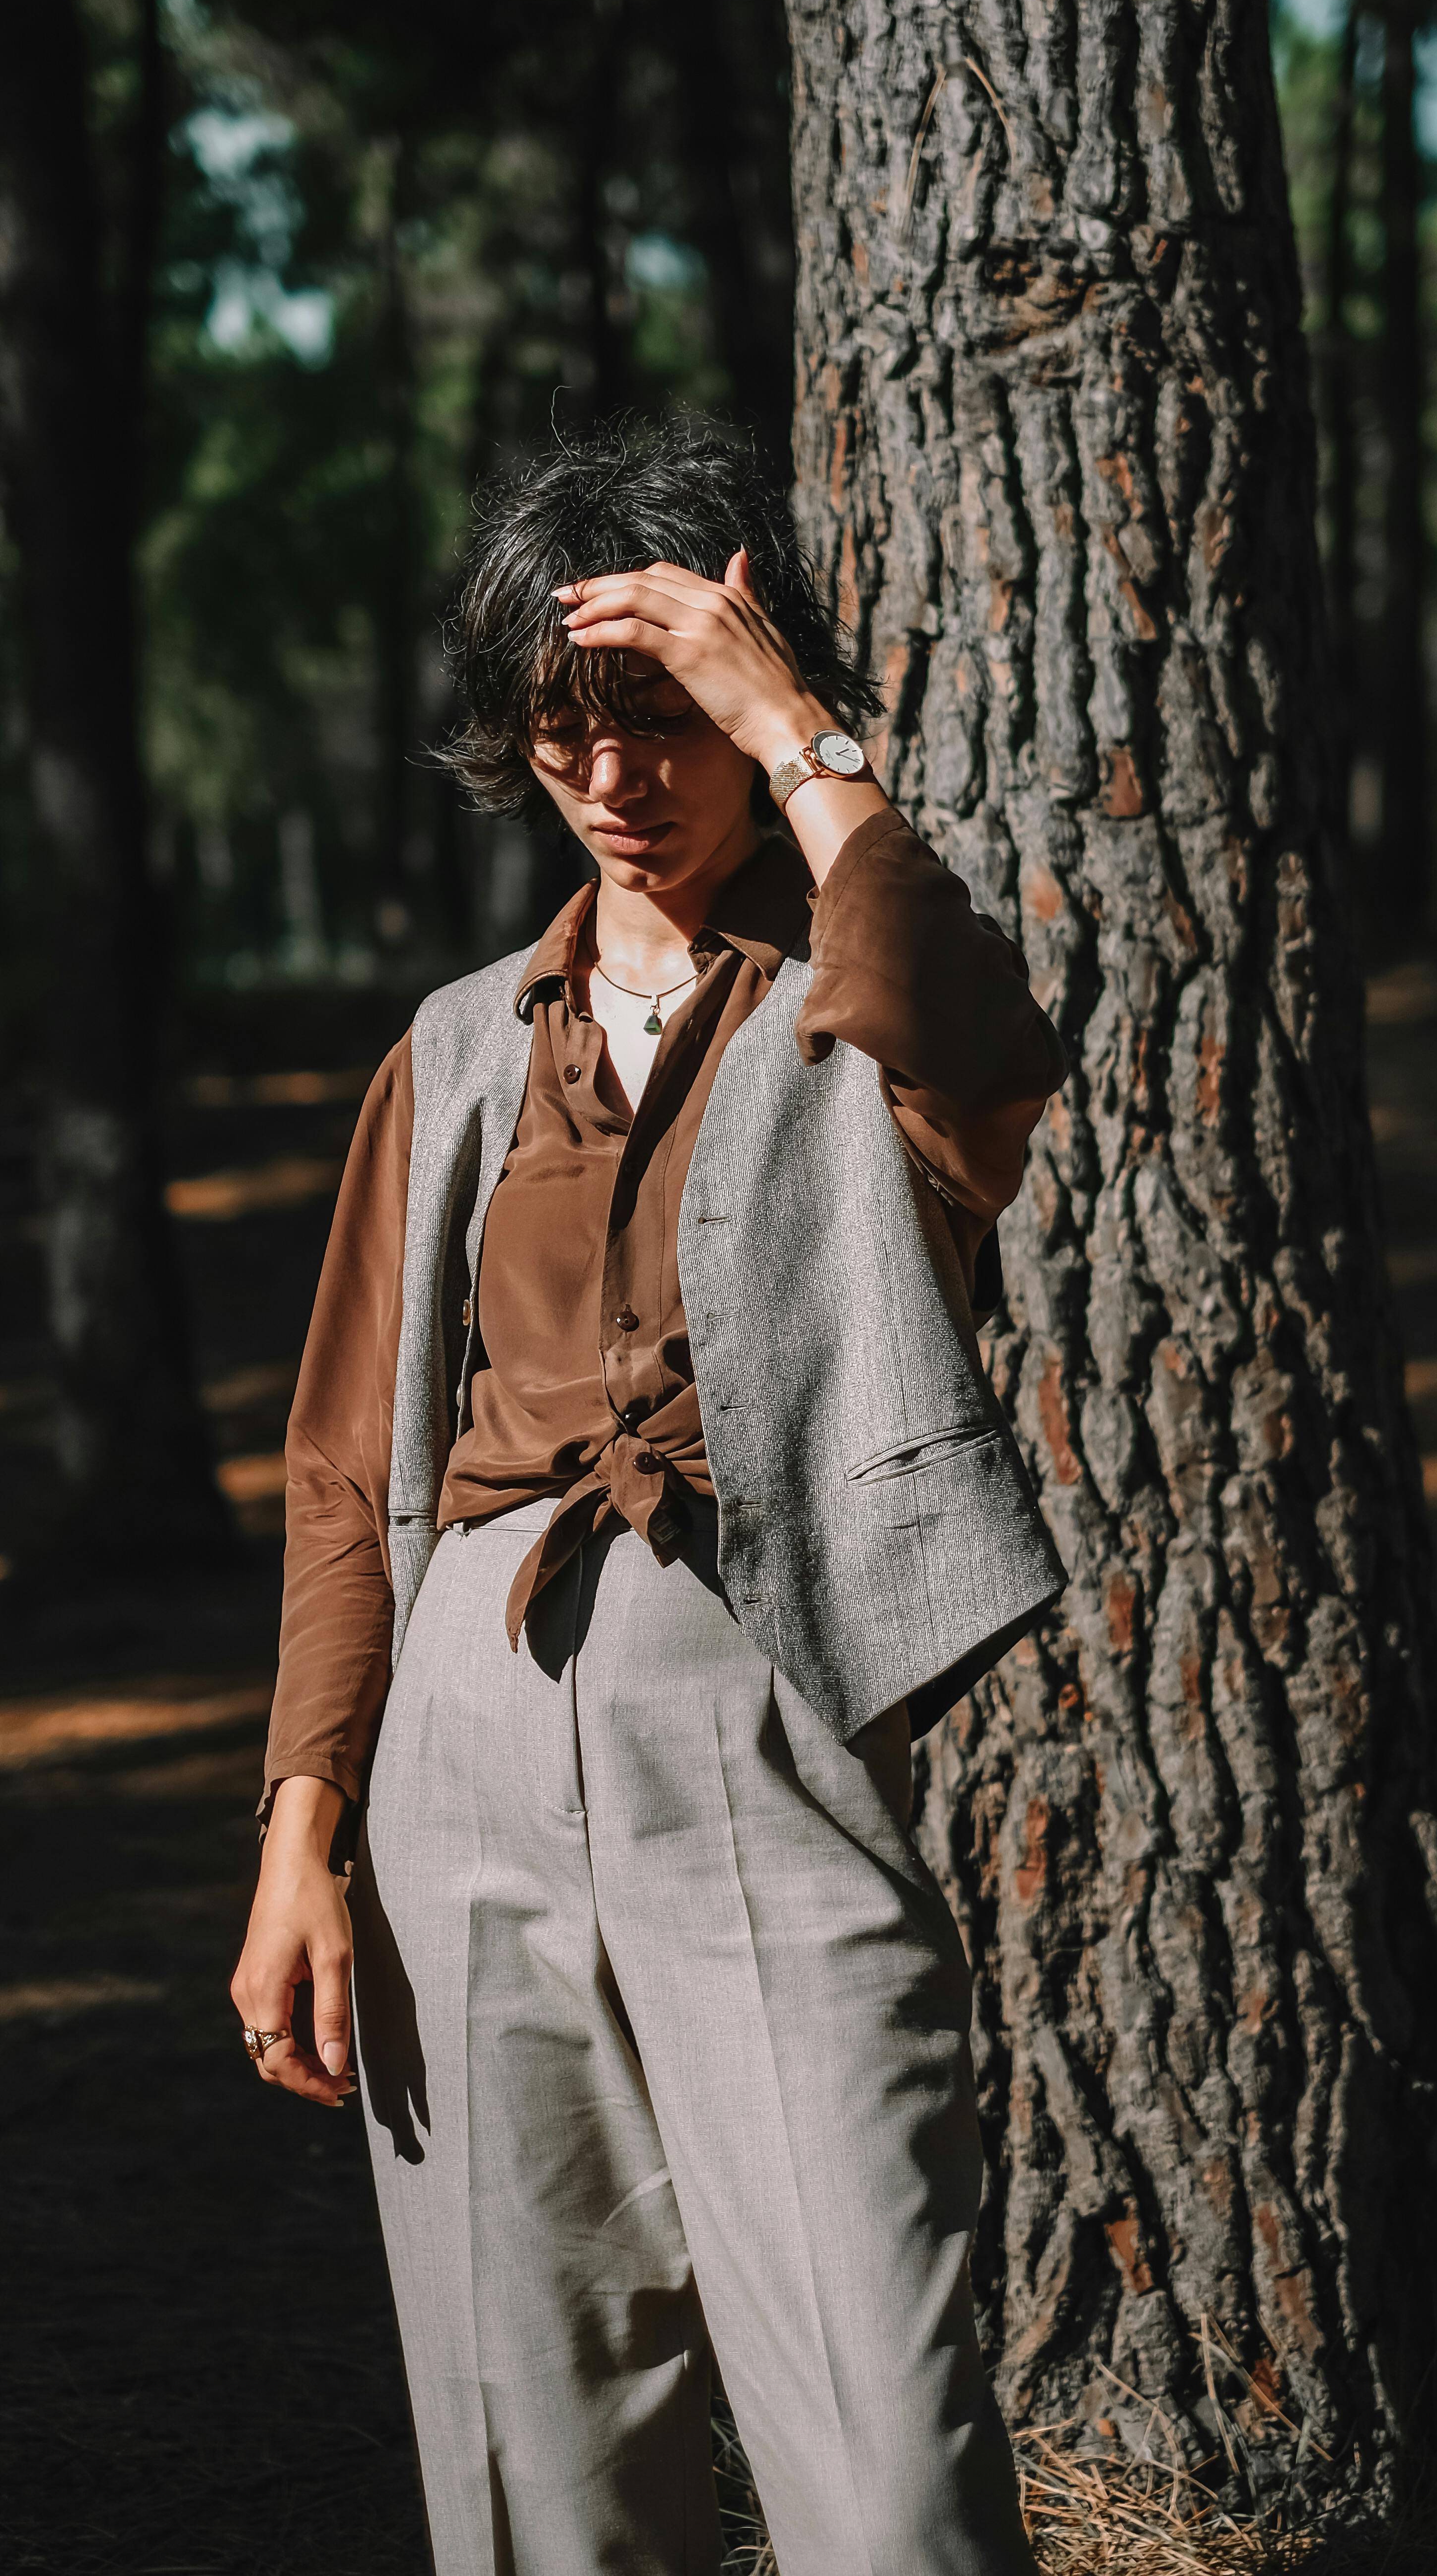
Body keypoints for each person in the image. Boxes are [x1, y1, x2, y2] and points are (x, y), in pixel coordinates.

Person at [231, 420, 1068, 2575]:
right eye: (562, 732)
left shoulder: (852, 998)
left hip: (762, 1732)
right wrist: (305, 1836)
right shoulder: (450, 1052)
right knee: (536, 2472)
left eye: (662, 718)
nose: (615, 779)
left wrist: (792, 718)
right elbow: (344, 1473)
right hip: (458, 1759)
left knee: (886, 2470)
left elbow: (982, 1058)